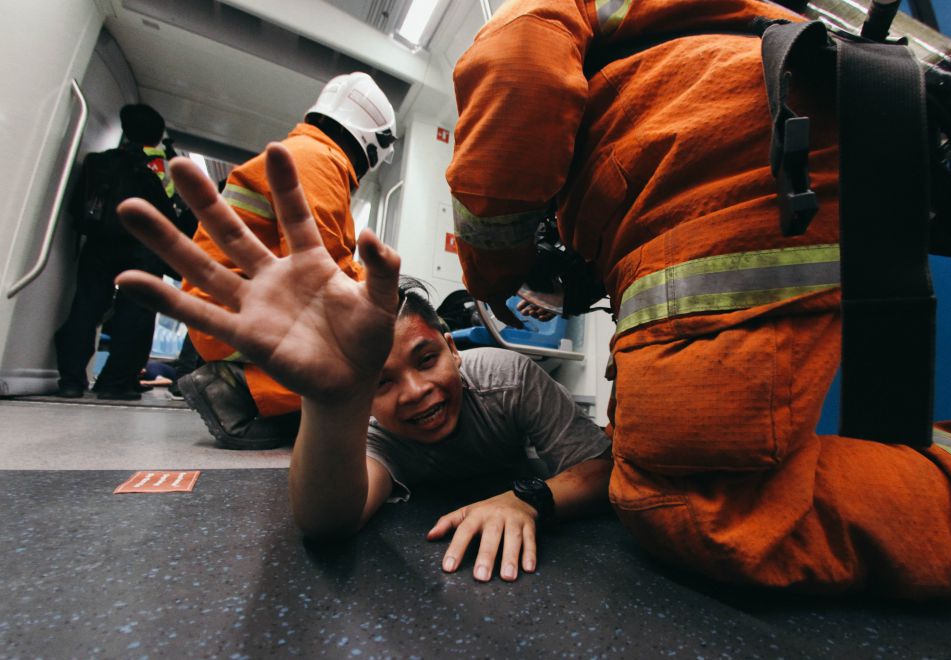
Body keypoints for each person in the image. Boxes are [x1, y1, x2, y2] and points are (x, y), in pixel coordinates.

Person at [444, 0, 951, 598]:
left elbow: (518, 57)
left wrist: (493, 271)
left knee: (698, 500)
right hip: (771, 131)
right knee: (659, 442)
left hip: (709, 154)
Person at [115, 144, 613, 582]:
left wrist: (525, 498)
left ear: (452, 347)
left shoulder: (507, 379)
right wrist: (330, 402)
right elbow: (330, 520)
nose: (416, 391)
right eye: (380, 382)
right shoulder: (376, 432)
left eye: (427, 358)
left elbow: (598, 466)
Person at [177, 72, 397, 451]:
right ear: (371, 144)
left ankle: (249, 389)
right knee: (363, 358)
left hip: (229, 313)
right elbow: (325, 273)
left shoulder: (305, 152)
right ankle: (239, 392)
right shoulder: (319, 161)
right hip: (245, 319)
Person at [54, 103, 178, 400]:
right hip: (141, 251)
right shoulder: (151, 174)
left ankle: (71, 380)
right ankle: (114, 383)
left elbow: (76, 207)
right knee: (135, 316)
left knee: (86, 308)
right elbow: (166, 218)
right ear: (155, 135)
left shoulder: (98, 162)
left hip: (99, 245)